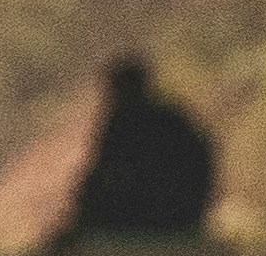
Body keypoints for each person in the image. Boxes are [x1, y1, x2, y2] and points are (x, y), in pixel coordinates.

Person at [62, 51, 217, 241]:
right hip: (182, 214)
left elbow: (103, 171)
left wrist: (81, 208)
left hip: (149, 214)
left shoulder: (126, 120)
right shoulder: (172, 118)